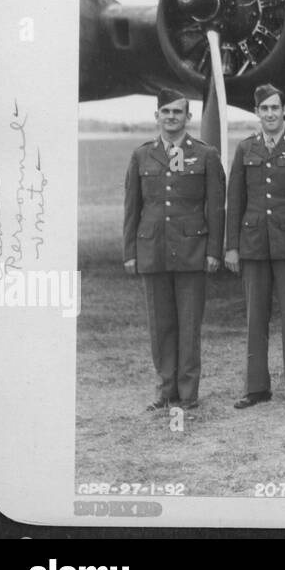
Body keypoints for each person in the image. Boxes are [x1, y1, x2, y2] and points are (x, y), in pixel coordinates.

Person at [122, 89, 225, 412]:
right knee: (160, 324)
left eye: (177, 112)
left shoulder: (206, 155)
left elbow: (216, 208)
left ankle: (188, 391)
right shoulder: (142, 156)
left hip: (192, 249)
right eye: (165, 111)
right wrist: (130, 252)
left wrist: (213, 250)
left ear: (188, 117)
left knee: (189, 323)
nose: (171, 117)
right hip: (153, 249)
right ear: (157, 116)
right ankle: (165, 389)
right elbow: (132, 208)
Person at [224, 83, 285, 408]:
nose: (269, 114)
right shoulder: (246, 149)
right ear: (257, 113)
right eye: (264, 109)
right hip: (253, 245)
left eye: (274, 108)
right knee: (255, 319)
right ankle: (256, 388)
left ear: (284, 111)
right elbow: (235, 200)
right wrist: (232, 247)